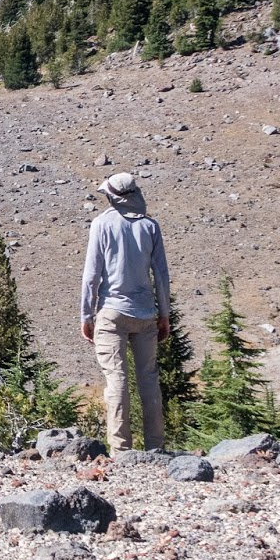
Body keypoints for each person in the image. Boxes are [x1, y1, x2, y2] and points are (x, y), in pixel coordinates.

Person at [80, 172, 172, 452]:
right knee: (148, 379)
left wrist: (86, 315)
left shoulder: (101, 224)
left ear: (111, 196)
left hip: (111, 311)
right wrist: (164, 314)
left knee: (116, 379)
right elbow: (161, 274)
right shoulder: (150, 226)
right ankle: (156, 448)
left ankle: (121, 450)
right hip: (145, 313)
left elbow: (91, 276)